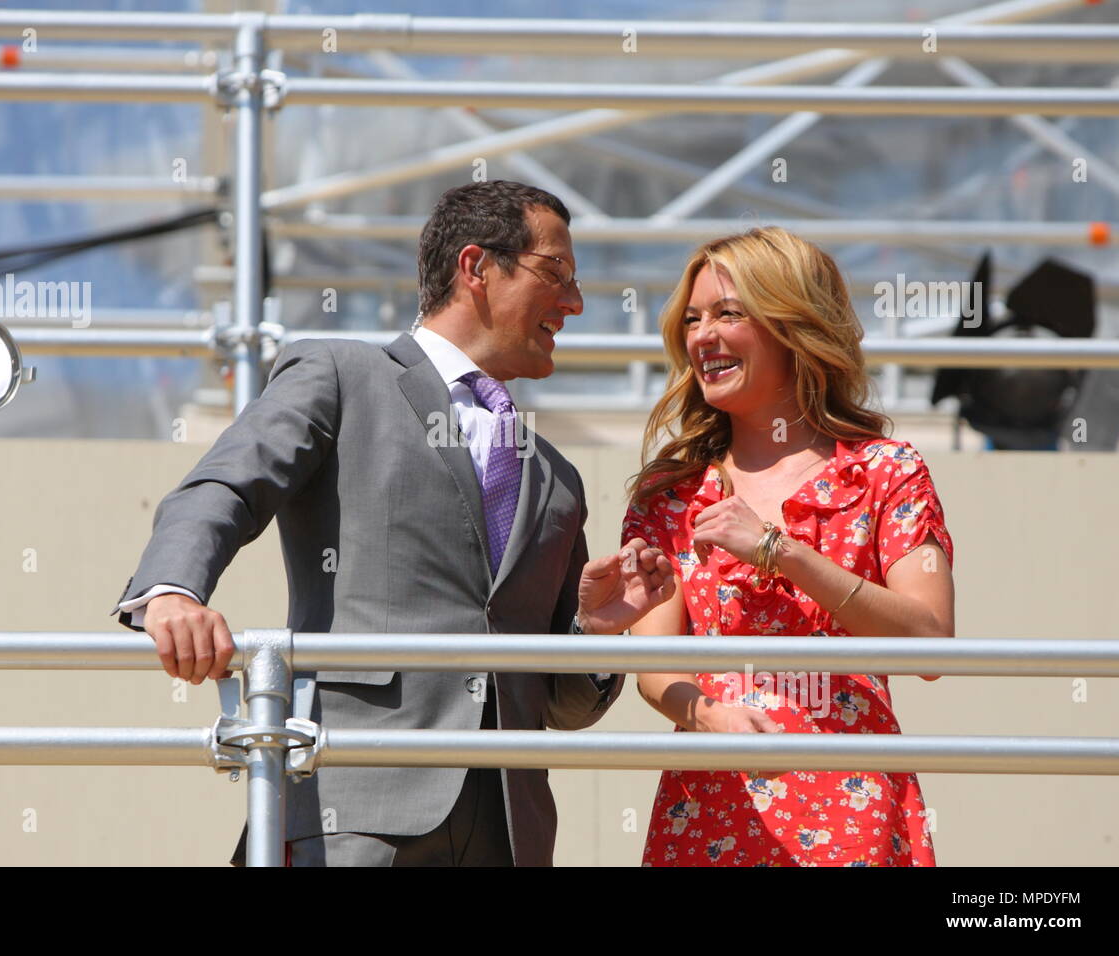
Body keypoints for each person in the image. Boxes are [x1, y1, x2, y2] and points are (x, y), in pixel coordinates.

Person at [112, 180, 674, 867]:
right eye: (555, 272)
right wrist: (174, 589)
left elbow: (562, 705)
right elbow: (224, 485)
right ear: (475, 267)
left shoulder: (556, 478)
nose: (575, 302)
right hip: (352, 805)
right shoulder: (342, 375)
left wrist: (594, 632)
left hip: (507, 833)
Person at [622, 227, 954, 867]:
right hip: (713, 801)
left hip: (854, 799)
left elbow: (932, 642)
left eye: (728, 313)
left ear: (792, 325)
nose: (703, 337)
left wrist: (781, 551)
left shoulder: (887, 472)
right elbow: (655, 668)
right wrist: (710, 718)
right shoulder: (669, 493)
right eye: (692, 319)